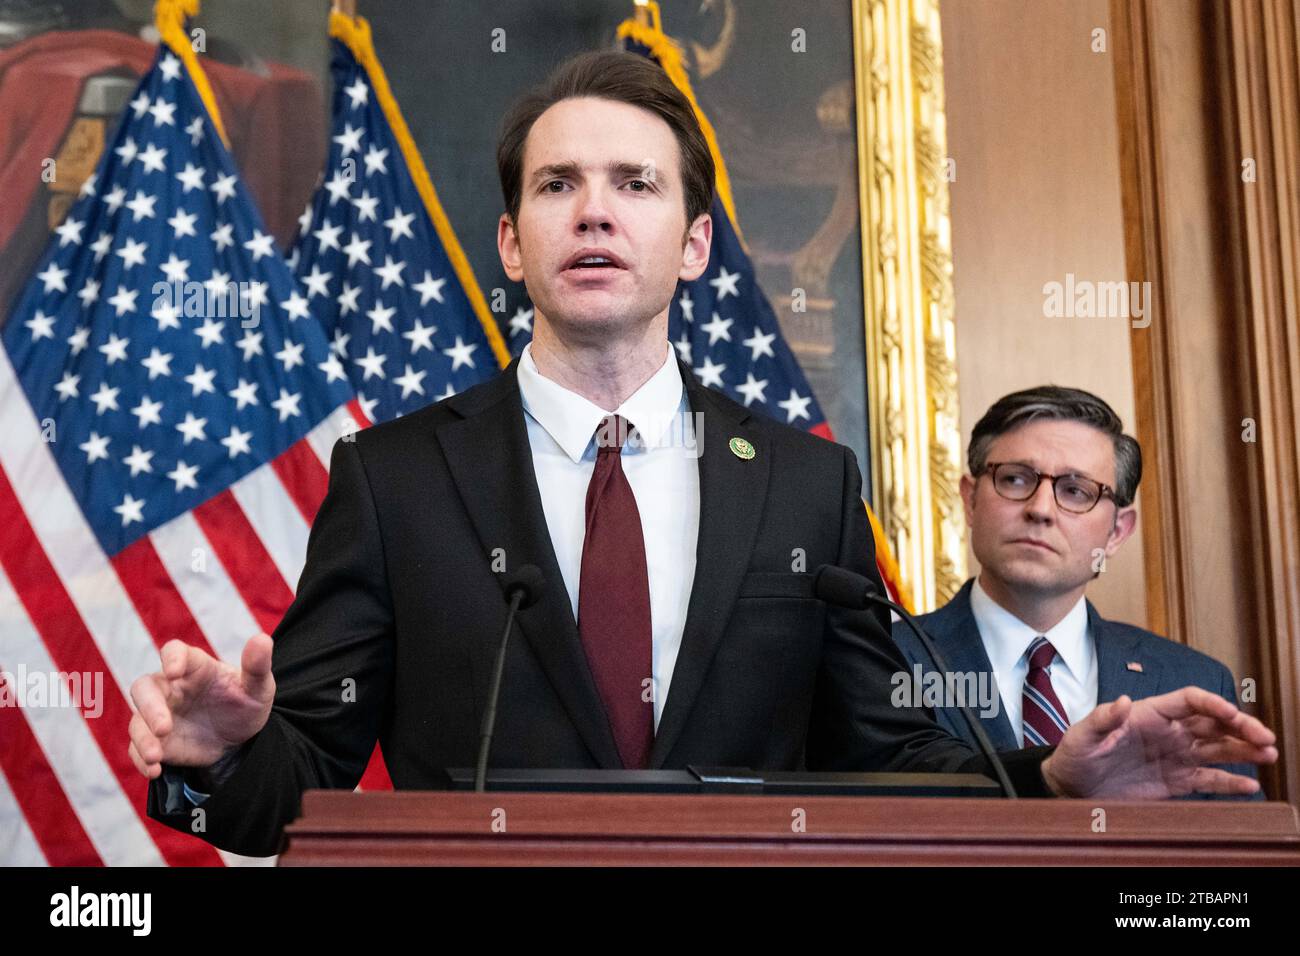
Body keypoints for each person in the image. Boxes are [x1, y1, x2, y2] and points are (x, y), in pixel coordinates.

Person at [128, 52, 1276, 858]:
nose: (593, 213)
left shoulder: (801, 480)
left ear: (692, 244)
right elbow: (302, 781)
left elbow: (883, 755)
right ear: (511, 244)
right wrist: (216, 756)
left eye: (634, 185)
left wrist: (1046, 781)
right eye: (556, 185)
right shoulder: (396, 479)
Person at [890, 386, 1259, 797]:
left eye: (1075, 491)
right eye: (1014, 479)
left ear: (1117, 532)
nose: (1041, 509)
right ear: (971, 499)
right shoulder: (883, 658)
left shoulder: (1194, 683)